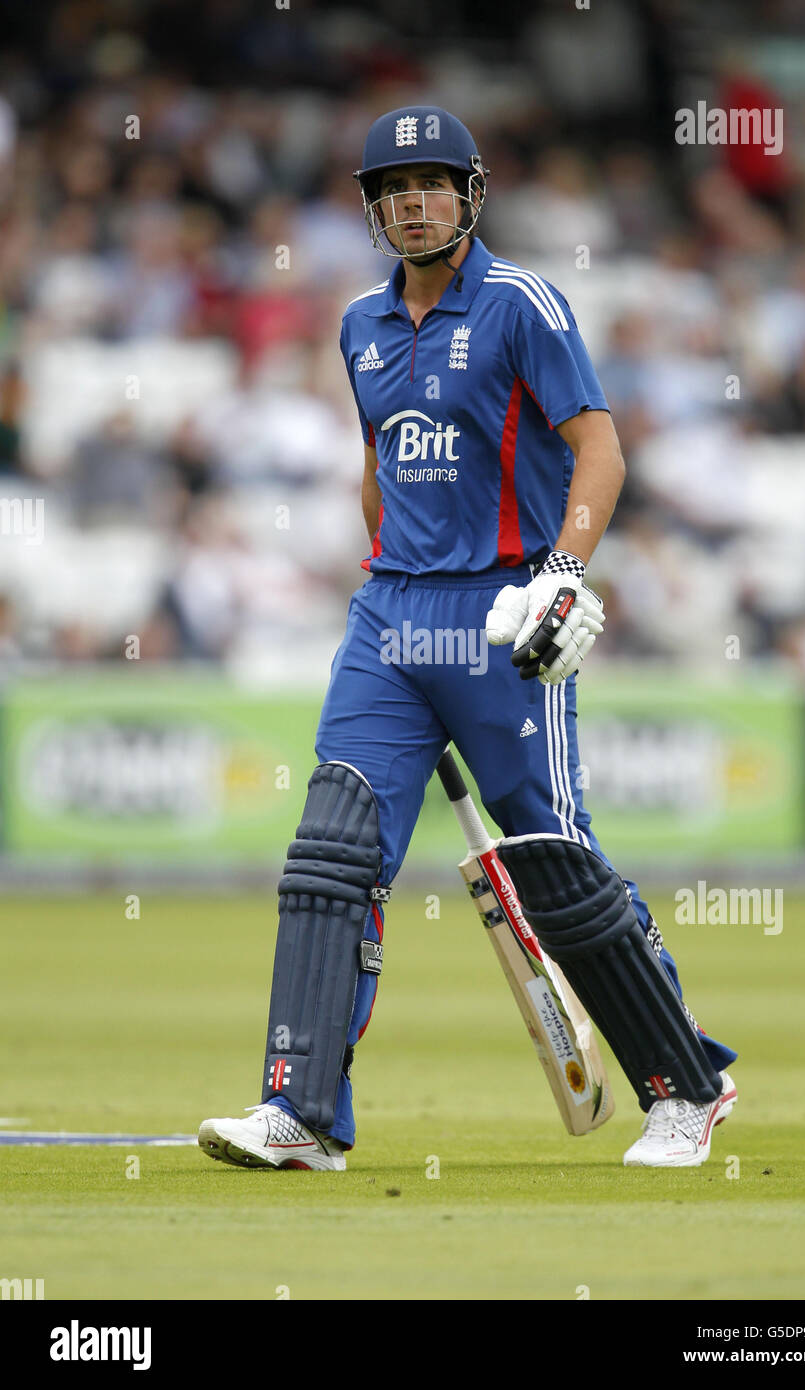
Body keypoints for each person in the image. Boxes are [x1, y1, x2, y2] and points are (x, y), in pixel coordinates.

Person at [198, 107, 737, 1172]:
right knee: (332, 851)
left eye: (433, 183)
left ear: (471, 194)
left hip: (502, 616)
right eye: (392, 188)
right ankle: (299, 1114)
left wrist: (566, 574)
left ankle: (686, 1087)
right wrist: (396, 613)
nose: (411, 202)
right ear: (369, 208)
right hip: (389, 615)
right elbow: (377, 470)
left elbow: (600, 450)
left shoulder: (521, 303)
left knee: (551, 862)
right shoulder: (358, 325)